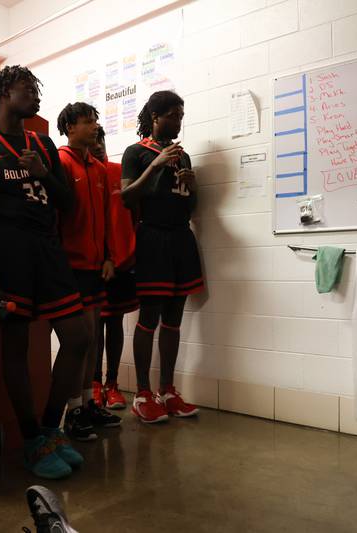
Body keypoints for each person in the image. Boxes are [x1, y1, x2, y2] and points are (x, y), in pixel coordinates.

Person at [0, 65, 89, 480]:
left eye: (36, 91)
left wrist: (45, 175)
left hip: (48, 252)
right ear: (2, 94)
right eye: (25, 89)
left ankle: (52, 428)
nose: (35, 97)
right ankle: (32, 438)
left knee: (78, 336)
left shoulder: (43, 142)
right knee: (14, 348)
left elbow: (67, 203)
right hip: (8, 256)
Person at [121, 90, 203, 424]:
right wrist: (154, 166)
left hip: (181, 237)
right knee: (150, 316)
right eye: (172, 114)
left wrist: (192, 186)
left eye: (181, 115)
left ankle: (167, 391)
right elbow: (126, 197)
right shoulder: (135, 152)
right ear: (155, 117)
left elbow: (190, 206)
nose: (178, 121)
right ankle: (142, 393)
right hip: (151, 237)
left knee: (174, 317)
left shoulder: (182, 156)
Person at [54, 103, 121, 440]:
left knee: (93, 338)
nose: (94, 126)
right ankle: (72, 411)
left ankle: (87, 402)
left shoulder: (96, 167)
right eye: (86, 122)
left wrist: (108, 256)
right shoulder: (61, 162)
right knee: (78, 342)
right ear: (69, 127)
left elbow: (107, 220)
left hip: (96, 266)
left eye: (95, 120)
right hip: (72, 266)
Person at [91, 126, 134, 410]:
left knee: (115, 323)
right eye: (92, 139)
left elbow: (135, 214)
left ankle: (113, 384)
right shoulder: (80, 172)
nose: (96, 144)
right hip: (92, 262)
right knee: (94, 326)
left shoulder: (120, 171)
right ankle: (94, 384)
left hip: (122, 261)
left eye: (100, 139)